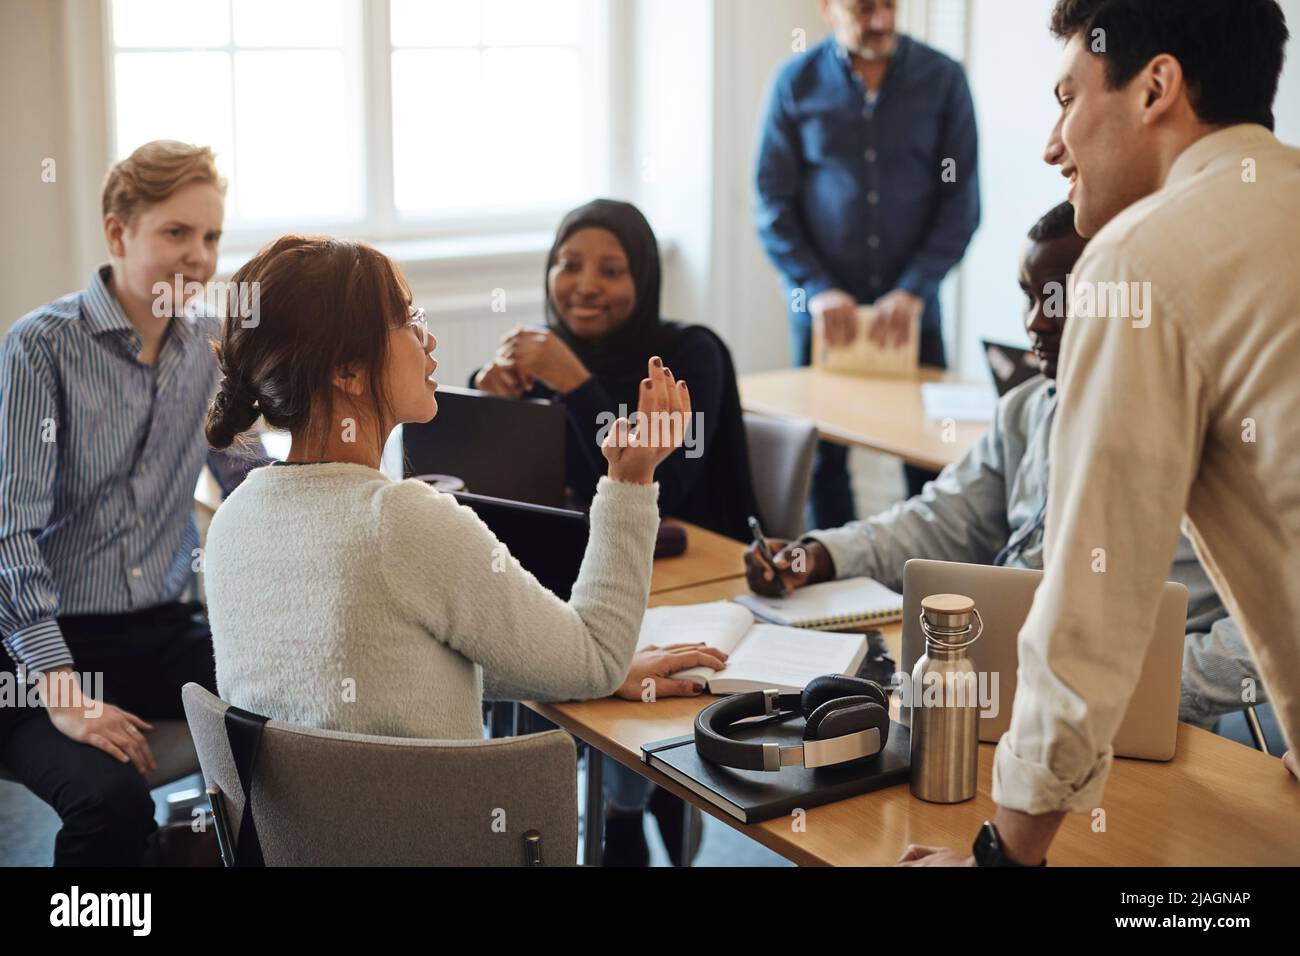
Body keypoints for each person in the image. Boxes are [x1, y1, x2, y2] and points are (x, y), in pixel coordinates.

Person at [898, 0, 1298, 867]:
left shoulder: (1141, 259)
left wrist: (1003, 854)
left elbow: (1092, 610)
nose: (1053, 144)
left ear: (1156, 86)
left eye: (1068, 98)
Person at [745, 201, 1264, 732]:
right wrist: (824, 554)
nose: (1036, 320)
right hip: (1004, 682)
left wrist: (1147, 690)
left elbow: (1269, 629)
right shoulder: (1029, 407)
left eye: (1059, 298)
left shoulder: (1215, 439)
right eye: (1029, 295)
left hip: (1130, 721)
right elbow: (944, 519)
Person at [203, 235, 694, 751]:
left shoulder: (234, 517)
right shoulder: (403, 523)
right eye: (410, 321)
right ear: (346, 370)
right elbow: (597, 659)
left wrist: (578, 668)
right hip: (441, 832)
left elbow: (383, 660)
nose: (428, 341)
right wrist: (632, 480)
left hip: (293, 832)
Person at [0, 140, 264, 865]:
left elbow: (250, 481)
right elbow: (9, 535)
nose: (200, 258)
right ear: (118, 232)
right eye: (175, 233)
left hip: (158, 633)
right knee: (110, 802)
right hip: (35, 651)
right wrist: (61, 691)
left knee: (289, 715)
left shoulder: (212, 343)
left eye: (210, 237)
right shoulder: (39, 348)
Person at [755, 0, 980, 524]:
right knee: (820, 461)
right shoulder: (795, 83)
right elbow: (772, 203)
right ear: (828, 8)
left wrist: (914, 288)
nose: (879, 20)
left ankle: (928, 586)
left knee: (930, 464)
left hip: (913, 314)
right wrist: (816, 287)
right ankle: (831, 585)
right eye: (862, 8)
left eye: (888, 5)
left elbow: (960, 201)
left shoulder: (943, 80)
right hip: (822, 318)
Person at [472, 198, 759, 542]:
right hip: (573, 548)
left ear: (643, 277)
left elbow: (657, 498)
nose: (586, 286)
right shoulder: (545, 349)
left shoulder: (691, 354)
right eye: (569, 265)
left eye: (610, 271)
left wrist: (576, 384)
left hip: (694, 555)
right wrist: (486, 393)